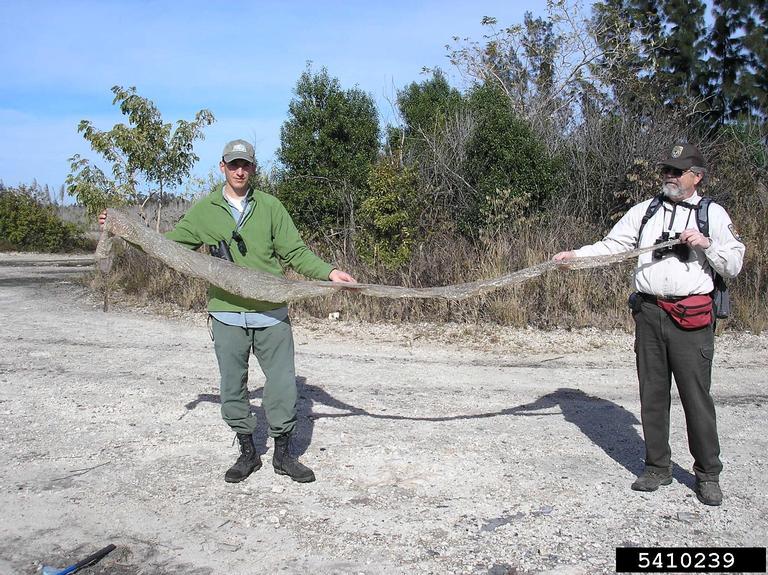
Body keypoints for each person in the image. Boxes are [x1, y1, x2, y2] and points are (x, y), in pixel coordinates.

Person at [100, 139, 356, 484]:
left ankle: (283, 455)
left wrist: (329, 272)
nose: (239, 170)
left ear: (253, 169)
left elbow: (296, 253)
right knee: (233, 387)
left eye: (246, 165)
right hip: (226, 315)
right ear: (222, 166)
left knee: (282, 386)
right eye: (233, 164)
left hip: (271, 315)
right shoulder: (205, 210)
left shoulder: (271, 207)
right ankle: (248, 453)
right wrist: (125, 230)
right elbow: (168, 247)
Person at [552, 143, 745, 506]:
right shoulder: (646, 211)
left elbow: (733, 264)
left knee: (696, 398)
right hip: (649, 313)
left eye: (677, 171)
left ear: (697, 176)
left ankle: (707, 474)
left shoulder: (712, 214)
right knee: (652, 395)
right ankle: (657, 467)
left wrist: (704, 244)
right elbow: (612, 245)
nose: (669, 177)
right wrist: (575, 257)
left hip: (692, 317)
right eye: (666, 171)